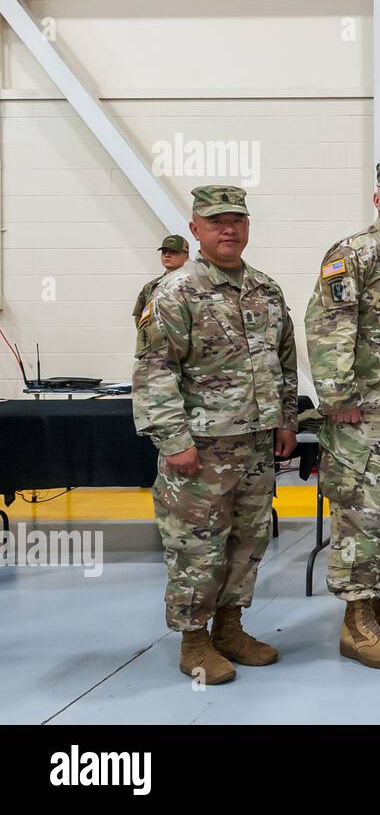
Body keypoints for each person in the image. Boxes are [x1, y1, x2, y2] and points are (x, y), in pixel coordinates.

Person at [132, 185, 297, 685]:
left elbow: (285, 361)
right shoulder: (175, 292)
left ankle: (230, 627)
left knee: (249, 541)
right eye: (216, 221)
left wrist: (286, 420)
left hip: (254, 444)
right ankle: (194, 639)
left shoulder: (265, 289)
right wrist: (173, 440)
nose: (229, 229)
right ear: (195, 230)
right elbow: (154, 371)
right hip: (199, 450)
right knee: (196, 547)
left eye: (237, 220)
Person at [305, 161, 380, 671]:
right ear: (376, 199)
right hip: (364, 417)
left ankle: (374, 600)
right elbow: (328, 325)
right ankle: (356, 622)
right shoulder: (353, 253)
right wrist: (339, 399)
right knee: (363, 517)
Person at [132, 234, 189, 325]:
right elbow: (140, 317)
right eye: (164, 252)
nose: (167, 255)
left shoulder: (196, 285)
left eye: (173, 251)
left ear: (186, 255)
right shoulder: (151, 287)